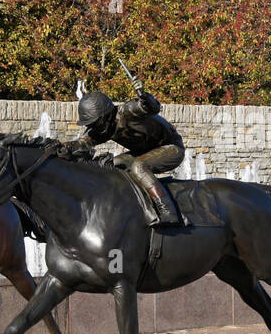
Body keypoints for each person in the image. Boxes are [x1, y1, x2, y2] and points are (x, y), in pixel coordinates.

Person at [68, 84, 185, 227]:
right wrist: (62, 147)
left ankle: (168, 210)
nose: (94, 128)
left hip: (171, 147)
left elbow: (152, 108)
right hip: (145, 152)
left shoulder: (127, 111)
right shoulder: (104, 127)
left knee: (139, 166)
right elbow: (83, 143)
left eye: (95, 123)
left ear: (106, 116)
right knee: (112, 165)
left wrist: (144, 96)